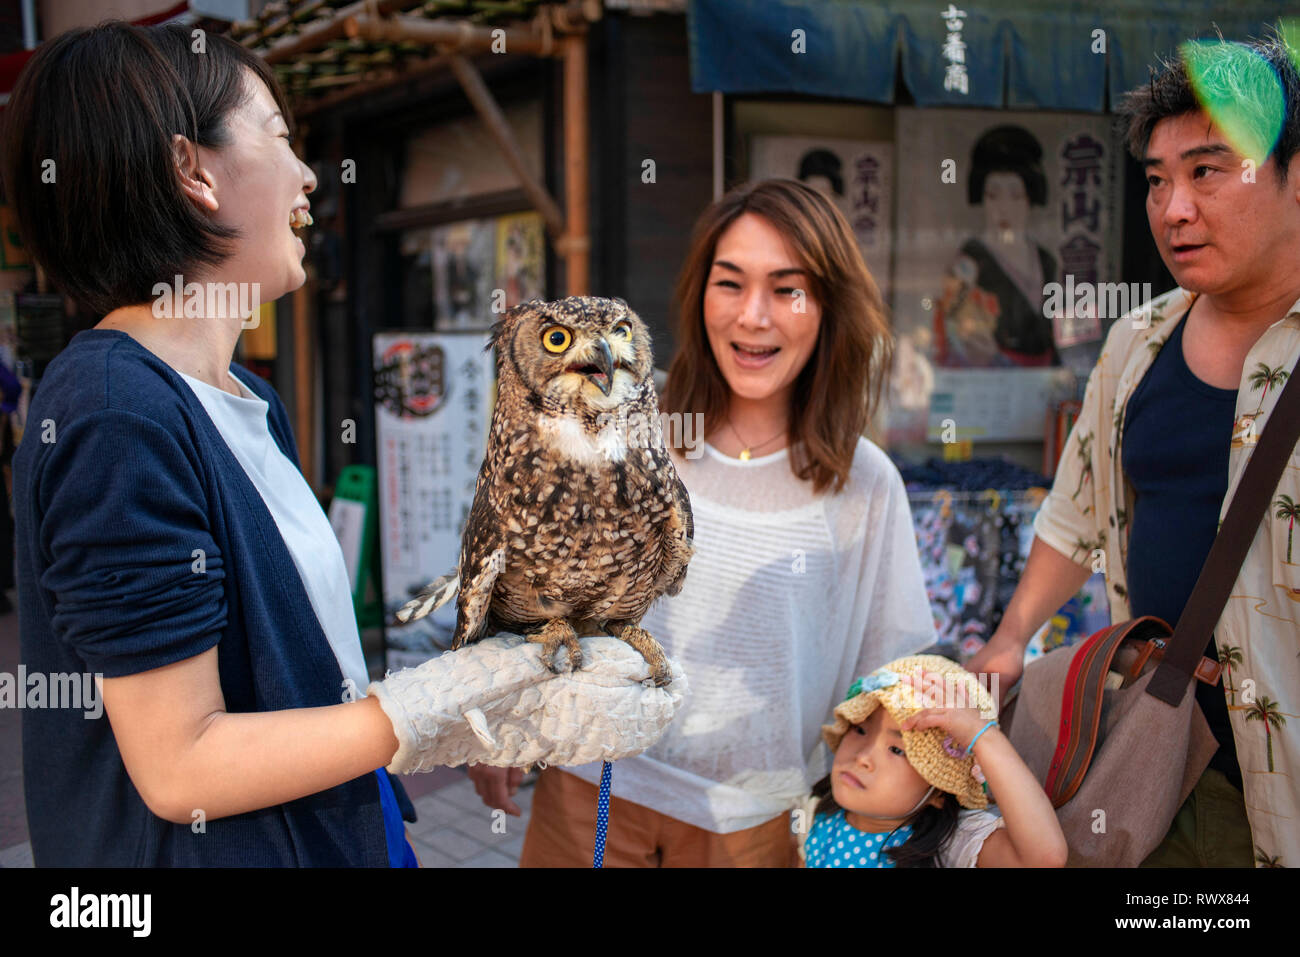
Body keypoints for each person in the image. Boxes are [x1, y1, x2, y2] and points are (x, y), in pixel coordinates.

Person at [4, 22, 667, 867]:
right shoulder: (116, 416)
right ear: (191, 170)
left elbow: (303, 671)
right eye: (280, 135)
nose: (309, 174)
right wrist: (432, 703)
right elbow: (181, 765)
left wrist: (459, 718)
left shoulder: (244, 399)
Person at [466, 178, 937, 866]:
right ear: (698, 296)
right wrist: (495, 708)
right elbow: (528, 575)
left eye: (787, 288)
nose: (753, 316)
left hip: (754, 826)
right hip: (590, 791)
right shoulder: (618, 424)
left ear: (827, 305)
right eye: (730, 283)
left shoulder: (864, 482)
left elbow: (890, 678)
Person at [967, 32, 1300, 868]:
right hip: (1159, 757)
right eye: (1158, 180)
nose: (1173, 207)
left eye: (1208, 171)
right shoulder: (1137, 343)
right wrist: (1012, 635)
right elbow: (1076, 511)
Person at [799, 655, 1066, 867]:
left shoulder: (951, 846)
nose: (863, 757)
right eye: (860, 730)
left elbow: (1044, 858)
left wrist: (981, 736)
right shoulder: (817, 815)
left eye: (896, 750)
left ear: (938, 792)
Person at [933, 125, 1060, 367]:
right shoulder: (970, 260)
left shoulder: (1045, 260)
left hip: (1044, 379)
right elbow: (951, 328)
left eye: (1015, 195)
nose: (1003, 208)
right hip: (991, 379)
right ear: (981, 198)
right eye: (993, 195)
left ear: (1030, 199)